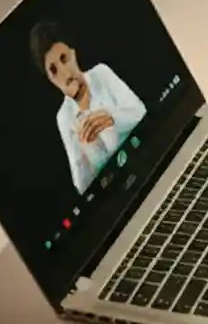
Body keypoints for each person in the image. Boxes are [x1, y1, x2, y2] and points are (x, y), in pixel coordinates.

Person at [29, 20, 146, 194]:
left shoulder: (101, 74)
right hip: (117, 188)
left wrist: (112, 119)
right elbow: (82, 186)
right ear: (51, 80)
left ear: (73, 54)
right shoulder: (65, 117)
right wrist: (86, 149)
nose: (65, 74)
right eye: (54, 70)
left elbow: (140, 112)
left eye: (64, 59)